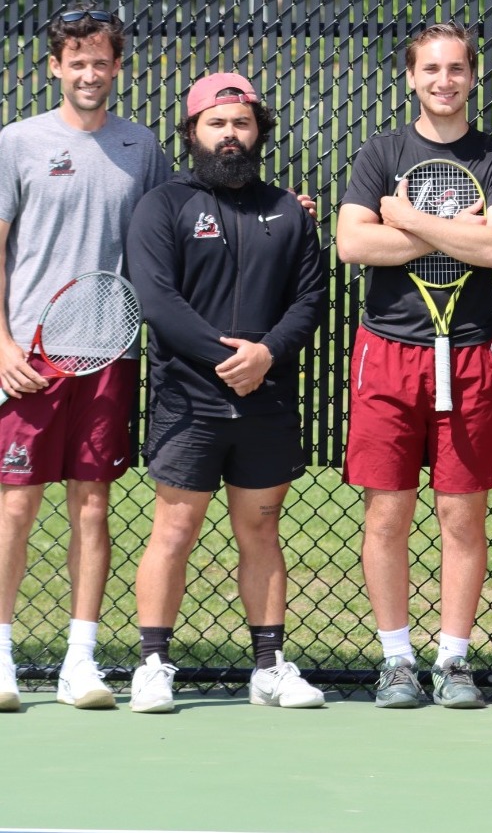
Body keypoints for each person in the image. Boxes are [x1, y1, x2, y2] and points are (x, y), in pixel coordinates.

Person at [335, 23, 492, 709]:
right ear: (410, 77)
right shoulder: (381, 152)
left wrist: (408, 219)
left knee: (461, 514)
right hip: (387, 351)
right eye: (431, 69)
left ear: (473, 77)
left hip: (473, 349)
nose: (444, 80)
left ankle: (453, 659)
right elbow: (353, 242)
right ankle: (396, 660)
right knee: (386, 512)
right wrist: (456, 231)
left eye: (456, 68)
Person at [123, 73, 329, 713]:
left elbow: (311, 298)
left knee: (261, 529)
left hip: (265, 397)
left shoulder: (289, 211)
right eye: (217, 124)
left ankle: (269, 668)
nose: (231, 135)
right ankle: (152, 665)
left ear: (258, 131)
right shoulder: (163, 206)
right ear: (193, 134)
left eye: (241, 124)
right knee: (175, 529)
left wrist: (265, 354)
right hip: (189, 399)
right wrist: (228, 358)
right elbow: (157, 300)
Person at [0, 4, 167, 711]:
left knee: (92, 508)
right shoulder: (17, 141)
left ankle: (81, 658)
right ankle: (2, 654)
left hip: (107, 353)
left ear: (117, 67)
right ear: (54, 66)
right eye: (77, 61)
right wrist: (2, 342)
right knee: (15, 506)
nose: (90, 73)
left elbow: (169, 235)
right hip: (29, 357)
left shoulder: (142, 146)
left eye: (102, 61)